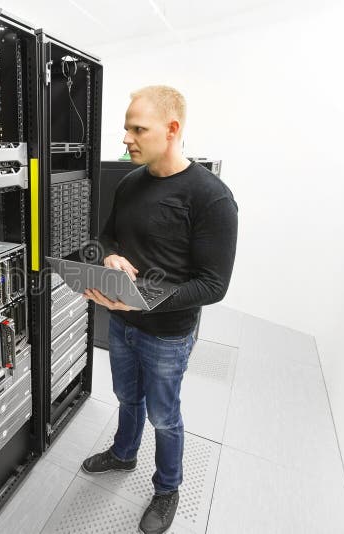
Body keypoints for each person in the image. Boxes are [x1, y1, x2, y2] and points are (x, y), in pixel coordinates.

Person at [81, 86, 238, 534]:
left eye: (137, 129)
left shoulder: (211, 198)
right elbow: (107, 237)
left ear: (171, 129)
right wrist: (110, 257)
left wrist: (146, 300)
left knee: (164, 416)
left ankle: (167, 488)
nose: (126, 138)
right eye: (126, 128)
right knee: (127, 397)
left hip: (167, 334)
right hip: (122, 321)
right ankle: (123, 453)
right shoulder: (130, 183)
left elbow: (213, 285)